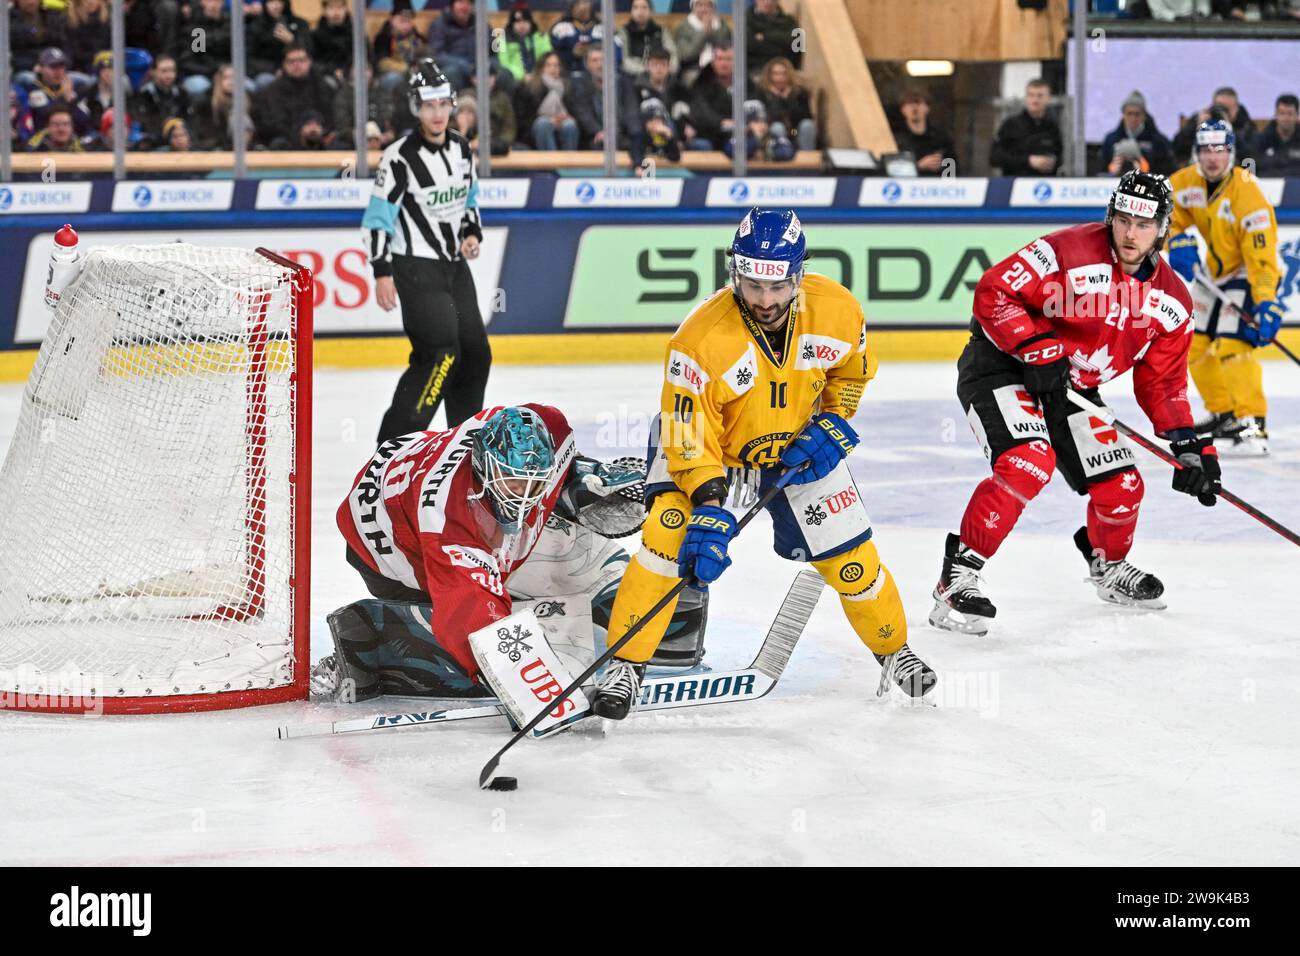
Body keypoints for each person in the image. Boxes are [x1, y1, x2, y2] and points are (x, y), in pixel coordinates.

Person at [591, 208, 938, 720]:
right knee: (668, 542)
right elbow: (688, 436)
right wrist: (710, 504)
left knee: (852, 562)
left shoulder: (837, 310)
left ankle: (893, 650)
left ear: (799, 274)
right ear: (736, 271)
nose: (766, 299)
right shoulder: (698, 340)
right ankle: (624, 665)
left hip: (796, 451)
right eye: (753, 284)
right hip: (710, 454)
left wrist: (834, 424)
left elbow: (850, 377)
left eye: (779, 286)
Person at [931, 172, 1217, 637]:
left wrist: (1189, 445)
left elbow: (1163, 383)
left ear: (1163, 229)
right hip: (1002, 362)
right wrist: (1035, 345)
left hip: (1072, 386)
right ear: (1110, 217)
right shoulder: (1065, 251)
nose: (1129, 233)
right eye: (1122, 220)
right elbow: (994, 291)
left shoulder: (1173, 302)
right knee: (1028, 462)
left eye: (1143, 225)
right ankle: (958, 573)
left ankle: (1110, 565)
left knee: (1122, 484)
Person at [324, 404, 677, 700]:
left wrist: (576, 483)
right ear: (484, 468)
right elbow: (475, 622)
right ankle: (373, 637)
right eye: (514, 482)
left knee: (598, 567)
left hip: (423, 485)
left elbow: (542, 469)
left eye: (535, 482)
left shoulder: (550, 430)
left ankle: (637, 618)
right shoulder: (446, 521)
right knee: (487, 636)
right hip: (391, 552)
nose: (525, 494)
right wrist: (526, 687)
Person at [363, 60, 490, 443]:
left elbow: (469, 199)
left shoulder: (461, 148)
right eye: (429, 105)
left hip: (453, 267)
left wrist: (471, 233)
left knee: (475, 353)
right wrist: (382, 273)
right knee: (440, 354)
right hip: (415, 267)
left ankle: (464, 442)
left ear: (452, 105)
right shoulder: (399, 157)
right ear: (417, 108)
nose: (437, 113)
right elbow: (377, 219)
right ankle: (394, 445)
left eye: (443, 104)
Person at [1167, 119, 1282, 456]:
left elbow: (1262, 258)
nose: (1212, 157)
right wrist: (1174, 239)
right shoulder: (1186, 182)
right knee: (1191, 344)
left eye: (1220, 149)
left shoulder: (1248, 194)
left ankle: (1253, 421)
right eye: (1205, 149)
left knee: (1233, 344)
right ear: (1196, 153)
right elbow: (1164, 213)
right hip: (1212, 275)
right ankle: (1225, 412)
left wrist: (1265, 301)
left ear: (1231, 153)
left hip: (1245, 273)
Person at [253, 44, 336, 149]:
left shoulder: (324, 88)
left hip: (321, 138)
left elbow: (331, 117)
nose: (297, 64)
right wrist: (300, 132)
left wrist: (317, 130)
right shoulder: (271, 92)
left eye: (301, 60)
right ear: (284, 64)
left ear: (309, 61)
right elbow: (271, 124)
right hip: (286, 142)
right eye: (291, 61)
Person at [989, 78, 1061, 176]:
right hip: (1015, 184)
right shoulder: (1011, 124)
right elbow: (995, 158)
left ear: (1048, 99)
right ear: (1026, 98)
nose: (1035, 100)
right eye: (1031, 95)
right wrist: (1028, 161)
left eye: (1040, 96)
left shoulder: (1052, 128)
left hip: (1045, 185)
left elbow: (1060, 156)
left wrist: (1052, 163)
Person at [514, 51, 579, 151]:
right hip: (533, 130)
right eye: (548, 65)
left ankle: (568, 165)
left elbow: (576, 111)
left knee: (570, 125)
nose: (553, 69)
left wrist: (567, 117)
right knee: (543, 124)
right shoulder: (529, 87)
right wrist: (550, 120)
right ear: (541, 68)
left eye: (556, 65)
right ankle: (550, 164)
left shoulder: (567, 86)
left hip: (561, 124)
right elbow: (522, 117)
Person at [1099, 90, 1174, 175]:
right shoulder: (1111, 140)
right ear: (1123, 115)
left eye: (1137, 114)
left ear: (1144, 115)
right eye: (1129, 113)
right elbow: (1100, 171)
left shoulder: (1159, 142)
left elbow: (1168, 173)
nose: (1133, 118)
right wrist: (1111, 170)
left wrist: (1145, 171)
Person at [1172, 87, 1257, 163]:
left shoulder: (1245, 125)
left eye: (1228, 109)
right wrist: (1197, 127)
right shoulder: (1201, 119)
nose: (1223, 112)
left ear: (1236, 108)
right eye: (1220, 107)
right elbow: (1176, 148)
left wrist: (1228, 128)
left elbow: (1251, 156)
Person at [247, 0, 312, 91]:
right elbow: (251, 58)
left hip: (298, 69)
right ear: (265, 4)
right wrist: (274, 70)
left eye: (280, 1)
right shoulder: (257, 26)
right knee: (265, 80)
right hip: (268, 71)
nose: (276, 5)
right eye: (271, 1)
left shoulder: (300, 23)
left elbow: (310, 50)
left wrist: (293, 41)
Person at [754, 56, 815, 153]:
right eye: (776, 74)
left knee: (808, 125)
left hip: (794, 131)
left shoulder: (800, 92)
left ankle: (807, 160)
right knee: (777, 127)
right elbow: (769, 118)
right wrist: (777, 98)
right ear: (769, 76)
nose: (780, 78)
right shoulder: (762, 93)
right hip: (770, 132)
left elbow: (806, 117)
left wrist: (788, 100)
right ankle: (780, 158)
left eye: (784, 74)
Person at [175, 0, 233, 99]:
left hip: (227, 73)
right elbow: (189, 59)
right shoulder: (194, 26)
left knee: (246, 85)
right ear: (202, 2)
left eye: (217, 1)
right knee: (199, 85)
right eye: (209, 1)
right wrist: (212, 70)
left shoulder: (230, 24)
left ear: (223, 3)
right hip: (201, 73)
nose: (213, 5)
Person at [131, 53, 190, 149]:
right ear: (153, 72)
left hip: (180, 143)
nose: (169, 75)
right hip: (156, 146)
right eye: (164, 71)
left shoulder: (182, 93)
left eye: (172, 70)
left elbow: (188, 121)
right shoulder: (144, 94)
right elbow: (147, 126)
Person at [891, 86, 953, 175]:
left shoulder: (941, 139)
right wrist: (918, 166)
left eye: (918, 103)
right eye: (909, 103)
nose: (914, 108)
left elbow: (953, 170)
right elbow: (891, 171)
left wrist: (942, 166)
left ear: (927, 108)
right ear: (903, 109)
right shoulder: (896, 140)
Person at [674, 0, 731, 89]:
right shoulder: (683, 27)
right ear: (693, 7)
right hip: (693, 69)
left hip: (720, 68)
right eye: (700, 5)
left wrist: (711, 30)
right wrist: (703, 32)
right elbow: (686, 54)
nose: (704, 9)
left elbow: (725, 48)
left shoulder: (722, 26)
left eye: (708, 5)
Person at [619, 0, 678, 80]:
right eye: (636, 8)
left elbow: (673, 54)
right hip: (634, 76)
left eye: (644, 7)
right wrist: (647, 70)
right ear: (631, 11)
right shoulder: (624, 32)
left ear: (650, 11)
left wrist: (667, 69)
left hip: (661, 74)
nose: (640, 12)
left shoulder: (660, 31)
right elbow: (624, 60)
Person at [496, 2, 553, 84]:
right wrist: (522, 76)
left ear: (531, 23)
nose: (522, 25)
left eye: (525, 21)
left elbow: (547, 59)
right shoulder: (500, 38)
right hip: (514, 79)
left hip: (540, 78)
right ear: (511, 24)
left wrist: (536, 76)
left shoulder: (542, 37)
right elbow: (502, 63)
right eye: (518, 22)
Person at [427, 0, 477, 91]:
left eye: (468, 3)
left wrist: (490, 65)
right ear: (452, 5)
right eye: (461, 2)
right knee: (451, 73)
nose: (464, 7)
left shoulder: (480, 23)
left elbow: (492, 50)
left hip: (476, 68)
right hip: (451, 68)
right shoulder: (439, 24)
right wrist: (462, 64)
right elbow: (436, 54)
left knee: (502, 74)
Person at [747, 0, 802, 74]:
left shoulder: (790, 21)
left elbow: (798, 46)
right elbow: (750, 45)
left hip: (785, 72)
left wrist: (764, 36)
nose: (768, 2)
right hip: (755, 72)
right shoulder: (745, 20)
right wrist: (781, 41)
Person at [311, 0, 354, 83]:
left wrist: (347, 71)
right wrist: (333, 71)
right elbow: (313, 62)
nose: (336, 12)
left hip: (352, 74)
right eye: (331, 7)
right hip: (326, 76)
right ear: (324, 11)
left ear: (346, 9)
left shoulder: (356, 34)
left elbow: (367, 57)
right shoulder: (316, 35)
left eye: (340, 7)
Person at [1258, 93, 1300, 177]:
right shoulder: (1262, 139)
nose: (1286, 118)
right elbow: (1253, 164)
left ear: (1297, 116)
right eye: (1282, 113)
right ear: (1276, 115)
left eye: (1290, 114)